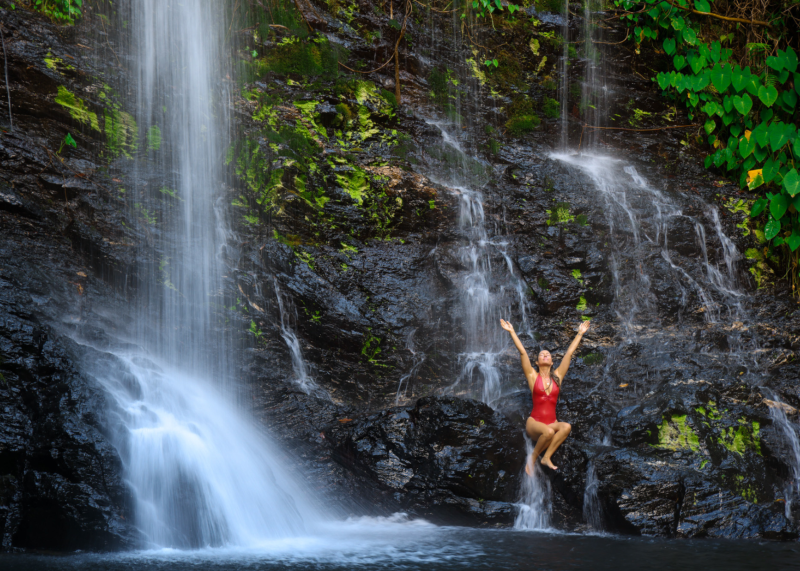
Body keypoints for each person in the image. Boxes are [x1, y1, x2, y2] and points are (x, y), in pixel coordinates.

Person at [500, 318, 591, 473]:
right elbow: (522, 352)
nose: (545, 355)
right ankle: (532, 458)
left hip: (551, 423)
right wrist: (512, 331)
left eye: (548, 354)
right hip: (534, 423)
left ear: (552, 362)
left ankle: (546, 457)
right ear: (537, 362)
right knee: (548, 432)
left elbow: (569, 353)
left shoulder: (558, 377)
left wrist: (580, 334)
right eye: (542, 354)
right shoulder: (532, 376)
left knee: (566, 427)